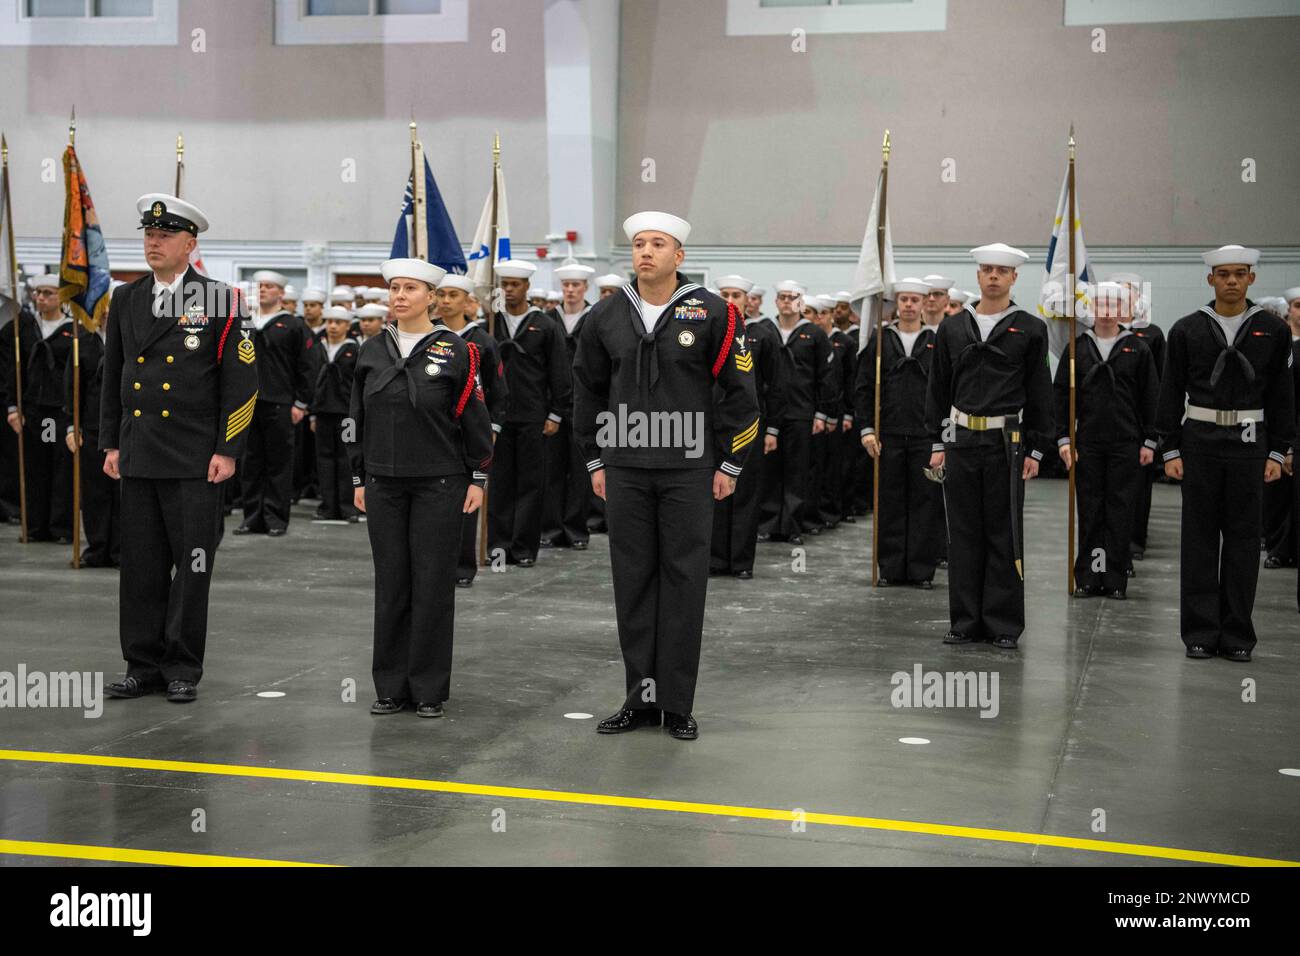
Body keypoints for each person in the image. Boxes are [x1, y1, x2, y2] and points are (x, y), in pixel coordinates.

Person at [574, 211, 758, 741]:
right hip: (626, 470)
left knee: (682, 584)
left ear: (679, 256)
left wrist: (728, 463)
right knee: (633, 583)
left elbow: (741, 395)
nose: (646, 252)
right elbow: (585, 391)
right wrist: (594, 459)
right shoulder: (605, 316)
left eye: (658, 244)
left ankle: (676, 703)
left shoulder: (715, 312)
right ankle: (640, 699)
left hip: (688, 471)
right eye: (638, 244)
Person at [101, 193, 258, 703]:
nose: (153, 242)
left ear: (190, 244)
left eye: (164, 235)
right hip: (141, 449)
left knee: (192, 566)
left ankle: (181, 667)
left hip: (195, 457)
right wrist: (111, 443)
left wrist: (228, 448)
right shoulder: (125, 298)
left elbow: (242, 382)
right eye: (148, 235)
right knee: (140, 565)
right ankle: (140, 663)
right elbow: (115, 377)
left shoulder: (221, 299)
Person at [348, 258, 494, 717]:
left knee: (432, 585)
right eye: (394, 288)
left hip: (440, 483)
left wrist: (477, 476)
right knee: (392, 583)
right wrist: (358, 477)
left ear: (432, 298)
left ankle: (429, 688)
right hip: (384, 484)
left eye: (410, 288)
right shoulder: (371, 350)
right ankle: (391, 686)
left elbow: (476, 419)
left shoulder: (456, 350)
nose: (399, 295)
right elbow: (355, 419)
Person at [1156, 246, 1295, 661]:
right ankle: (1199, 632)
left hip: (1251, 444)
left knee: (1243, 540)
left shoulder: (1273, 330)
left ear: (1252, 278)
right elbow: (1169, 391)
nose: (1231, 281)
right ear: (1210, 279)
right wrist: (1169, 448)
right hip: (1199, 440)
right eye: (1223, 274)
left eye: (1239, 274)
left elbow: (1282, 396)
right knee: (1198, 540)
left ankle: (1237, 634)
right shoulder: (1186, 329)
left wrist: (1279, 451)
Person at [926, 243, 1053, 649]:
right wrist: (937, 441)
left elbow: (1040, 393)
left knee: (1004, 534)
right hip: (961, 440)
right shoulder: (952, 328)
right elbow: (938, 389)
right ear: (978, 276)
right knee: (962, 534)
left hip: (1007, 443)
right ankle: (964, 622)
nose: (994, 276)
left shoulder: (1030, 328)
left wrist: (1036, 449)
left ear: (1015, 277)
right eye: (987, 269)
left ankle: (1003, 624)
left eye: (1002, 270)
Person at [1055, 282, 1158, 599]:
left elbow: (1150, 398)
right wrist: (1063, 438)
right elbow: (1060, 397)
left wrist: (1150, 441)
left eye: (1114, 305)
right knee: (1089, 510)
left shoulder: (1137, 348)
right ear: (1092, 308)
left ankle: (1114, 577)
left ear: (1123, 310)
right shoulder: (1076, 348)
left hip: (1125, 443)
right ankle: (1087, 576)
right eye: (1101, 305)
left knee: (1119, 509)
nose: (1107, 312)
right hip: (1088, 442)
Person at [856, 278, 941, 588]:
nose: (908, 305)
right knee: (889, 503)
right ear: (896, 303)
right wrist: (867, 429)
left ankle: (920, 570)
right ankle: (890, 568)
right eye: (903, 299)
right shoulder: (881, 341)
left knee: (924, 503)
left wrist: (941, 438)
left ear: (924, 303)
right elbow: (864, 387)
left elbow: (945, 392)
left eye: (914, 300)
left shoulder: (936, 341)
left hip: (924, 436)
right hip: (887, 435)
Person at [488, 259, 571, 567]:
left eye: (514, 285)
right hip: (497, 416)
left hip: (533, 414)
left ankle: (523, 548)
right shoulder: (491, 323)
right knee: (499, 483)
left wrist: (555, 413)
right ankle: (498, 545)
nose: (508, 290)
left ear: (526, 287)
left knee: (531, 483)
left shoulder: (545, 324)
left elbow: (559, 372)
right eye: (504, 284)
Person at [434, 273, 507, 588]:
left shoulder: (482, 341)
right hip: (433, 431)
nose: (446, 301)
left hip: (468, 433)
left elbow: (497, 389)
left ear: (468, 301)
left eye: (453, 295)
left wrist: (490, 428)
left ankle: (462, 566)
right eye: (442, 294)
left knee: (466, 497)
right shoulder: (427, 335)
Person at [235, 270, 316, 537]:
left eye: (269, 286)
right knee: (250, 462)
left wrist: (301, 403)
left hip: (280, 402)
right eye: (259, 286)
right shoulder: (246, 322)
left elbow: (307, 366)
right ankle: (251, 517)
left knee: (279, 463)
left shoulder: (293, 325)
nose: (262, 290)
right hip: (247, 403)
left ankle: (275, 518)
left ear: (281, 293)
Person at [757, 280, 837, 544]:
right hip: (769, 413)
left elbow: (825, 376)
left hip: (801, 412)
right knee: (769, 471)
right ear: (776, 301)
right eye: (782, 297)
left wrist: (823, 413)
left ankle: (791, 526)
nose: (787, 301)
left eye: (793, 297)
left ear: (802, 303)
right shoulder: (765, 330)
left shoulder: (814, 334)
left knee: (796, 471)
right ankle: (768, 524)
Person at [711, 275, 778, 579]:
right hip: (713, 422)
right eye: (724, 293)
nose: (729, 299)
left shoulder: (762, 334)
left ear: (747, 300)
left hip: (748, 423)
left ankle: (740, 561)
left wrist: (773, 428)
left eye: (735, 294)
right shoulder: (709, 331)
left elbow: (776, 384)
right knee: (713, 490)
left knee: (746, 492)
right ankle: (714, 559)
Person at [8, 275, 75, 542]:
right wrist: (14, 406)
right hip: (33, 409)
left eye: (48, 293)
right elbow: (15, 369)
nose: (41, 298)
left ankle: (62, 527)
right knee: (35, 469)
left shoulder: (74, 330)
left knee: (62, 469)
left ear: (61, 297)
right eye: (37, 293)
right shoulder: (24, 328)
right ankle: (35, 526)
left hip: (60, 410)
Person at [542, 260, 596, 551]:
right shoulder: (549, 319)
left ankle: (576, 529)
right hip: (554, 406)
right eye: (566, 285)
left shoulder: (595, 318)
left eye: (576, 285)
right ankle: (551, 529)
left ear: (586, 288)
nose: (571, 290)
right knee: (552, 469)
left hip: (584, 405)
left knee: (580, 471)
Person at [1110, 272, 1165, 563]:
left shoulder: (1151, 334)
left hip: (1138, 423)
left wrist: (1153, 433)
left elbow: (1158, 385)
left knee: (1139, 488)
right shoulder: (1102, 332)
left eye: (1128, 293)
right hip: (1108, 423)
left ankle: (1134, 541)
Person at [64, 287, 121, 566]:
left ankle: (121, 550)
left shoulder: (133, 341)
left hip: (126, 427)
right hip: (93, 427)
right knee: (95, 491)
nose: (107, 316)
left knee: (123, 493)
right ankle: (97, 548)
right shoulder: (82, 342)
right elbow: (72, 389)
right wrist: (71, 428)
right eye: (103, 310)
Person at [310, 305, 359, 523]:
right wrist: (312, 413)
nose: (333, 326)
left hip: (345, 414)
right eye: (329, 322)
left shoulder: (354, 349)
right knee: (324, 460)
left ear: (348, 326)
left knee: (345, 459)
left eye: (338, 323)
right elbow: (312, 381)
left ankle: (347, 506)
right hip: (322, 412)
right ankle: (328, 505)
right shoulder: (319, 347)